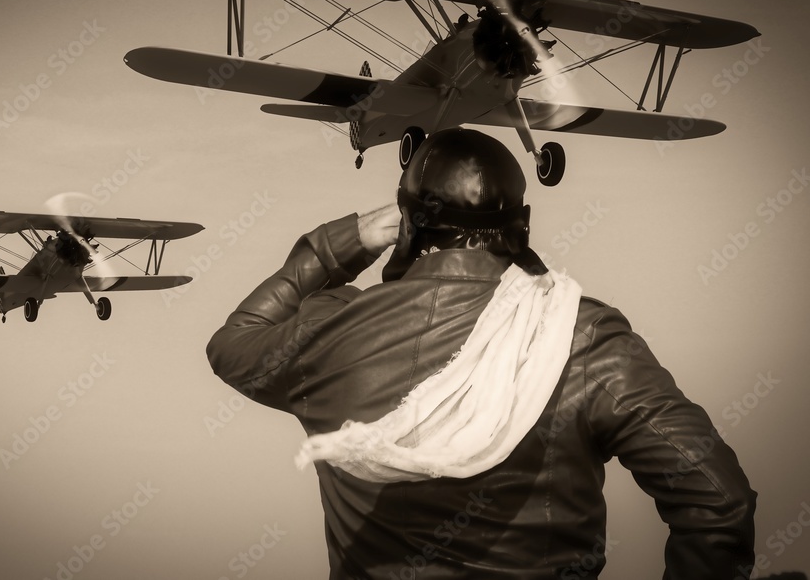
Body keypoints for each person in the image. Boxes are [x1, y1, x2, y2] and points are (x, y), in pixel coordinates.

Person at [206, 128, 756, 579]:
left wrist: (340, 242)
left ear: (407, 224)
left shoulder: (329, 330)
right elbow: (717, 500)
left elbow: (233, 344)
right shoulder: (579, 333)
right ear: (519, 225)